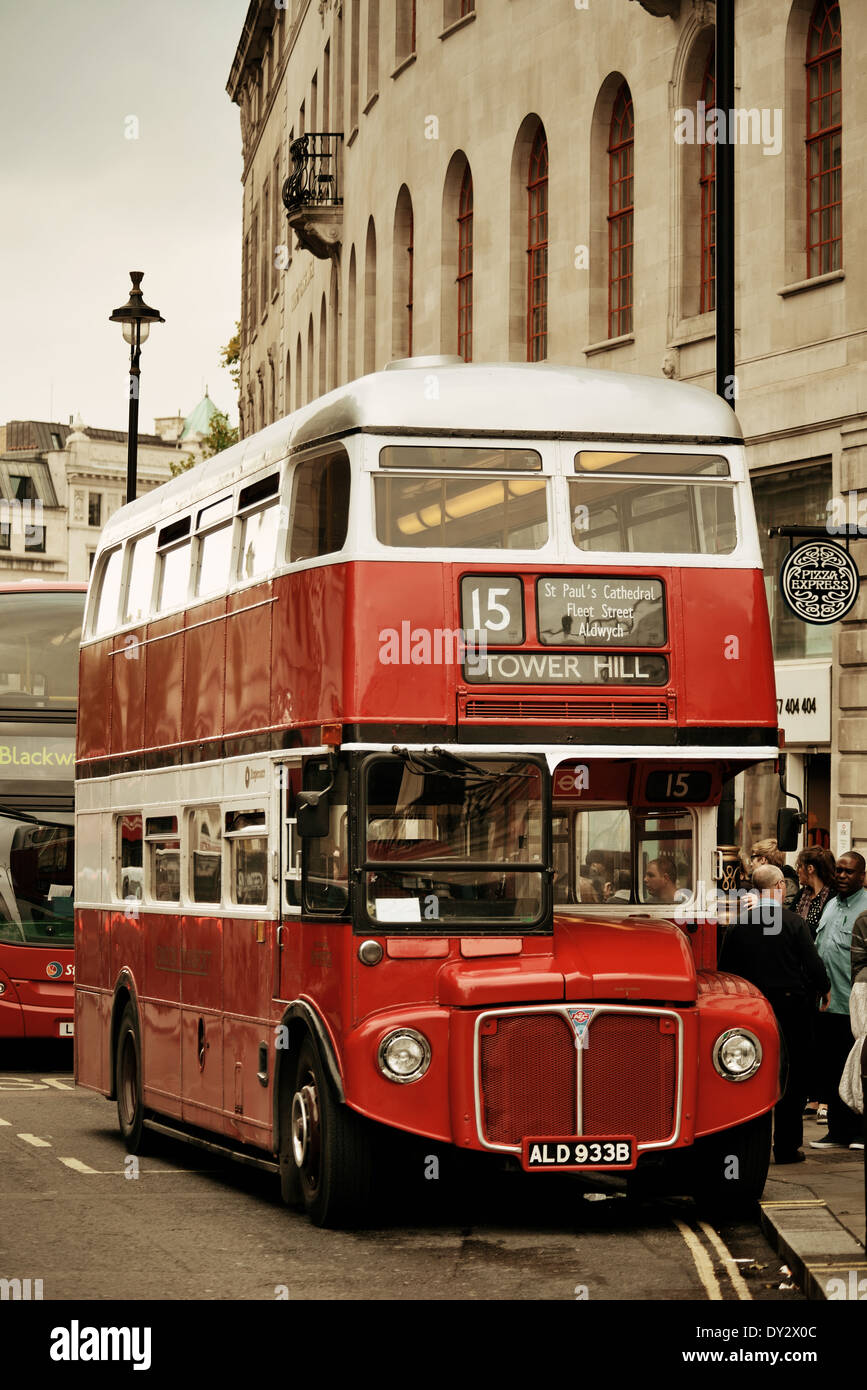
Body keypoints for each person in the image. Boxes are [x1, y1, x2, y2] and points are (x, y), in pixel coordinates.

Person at [719, 864, 830, 1165]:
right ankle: (786, 1146)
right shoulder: (794, 923)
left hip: (750, 1009)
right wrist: (824, 988)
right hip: (791, 1008)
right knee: (791, 1078)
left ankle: (746, 1145)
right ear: (780, 885)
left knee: (748, 1072)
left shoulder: (738, 926)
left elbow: (725, 970)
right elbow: (813, 964)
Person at [810, 851, 867, 1151]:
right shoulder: (831, 905)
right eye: (840, 871)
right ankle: (837, 1131)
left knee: (859, 1068)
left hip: (855, 1006)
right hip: (827, 1004)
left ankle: (860, 1132)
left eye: (849, 872)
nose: (842, 876)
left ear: (863, 876)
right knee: (831, 1068)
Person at [792, 846, 836, 938]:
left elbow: (824, 931)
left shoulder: (834, 896)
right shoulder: (801, 893)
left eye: (800, 866)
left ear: (810, 869)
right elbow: (789, 920)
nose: (797, 871)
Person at [750, 838, 798, 908]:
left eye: (752, 858)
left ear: (763, 860)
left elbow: (785, 913)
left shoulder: (788, 884)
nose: (751, 863)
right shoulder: (762, 881)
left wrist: (760, 902)